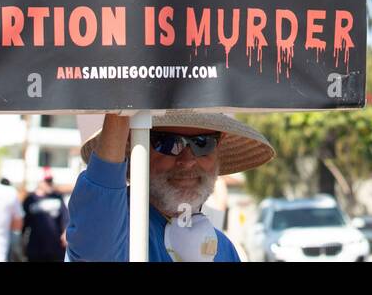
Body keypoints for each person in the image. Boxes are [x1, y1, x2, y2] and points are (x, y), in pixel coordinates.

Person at [67, 111, 274, 262]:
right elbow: (96, 245)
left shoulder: (223, 250)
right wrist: (122, 111)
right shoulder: (120, 231)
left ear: (219, 147)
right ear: (135, 144)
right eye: (167, 143)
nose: (187, 160)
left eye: (203, 143)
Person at [21, 173, 70, 262]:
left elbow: (65, 217)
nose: (49, 184)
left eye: (50, 181)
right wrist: (21, 240)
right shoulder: (30, 199)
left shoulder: (57, 197)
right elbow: (24, 223)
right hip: (35, 246)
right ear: (39, 182)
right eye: (46, 182)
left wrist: (65, 232)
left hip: (55, 247)